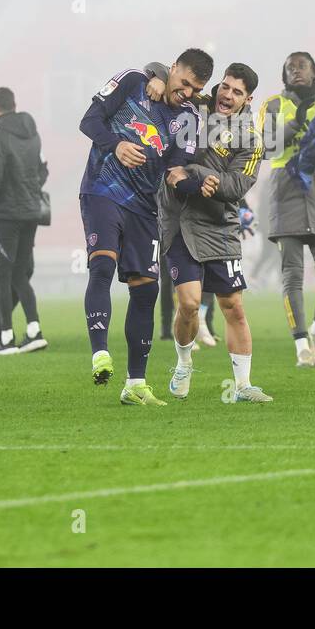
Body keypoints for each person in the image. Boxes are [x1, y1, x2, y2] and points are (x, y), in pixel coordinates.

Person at [79, 51, 210, 402]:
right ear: (173, 69)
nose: (186, 93)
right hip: (102, 189)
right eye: (183, 84)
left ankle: (135, 384)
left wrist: (195, 184)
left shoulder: (188, 118)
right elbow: (89, 121)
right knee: (103, 264)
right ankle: (100, 353)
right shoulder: (134, 80)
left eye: (194, 90)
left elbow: (175, 170)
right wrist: (116, 145)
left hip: (143, 207)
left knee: (146, 291)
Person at [162, 63, 271, 402]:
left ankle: (242, 386)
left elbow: (239, 184)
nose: (228, 94)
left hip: (219, 225)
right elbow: (169, 79)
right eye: (225, 87)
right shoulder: (195, 107)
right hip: (180, 219)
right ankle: (183, 363)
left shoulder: (252, 139)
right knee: (190, 303)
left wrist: (204, 178)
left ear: (247, 98)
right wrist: (153, 75)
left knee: (233, 305)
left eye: (237, 92)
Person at [257, 52, 315, 367]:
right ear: (284, 75)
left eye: (301, 65)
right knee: (292, 276)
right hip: (287, 194)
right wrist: (297, 121)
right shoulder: (273, 105)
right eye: (290, 67)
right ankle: (301, 346)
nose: (296, 71)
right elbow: (266, 147)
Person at [0, 86, 48, 354]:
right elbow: (43, 169)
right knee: (20, 273)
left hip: (5, 214)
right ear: (14, 104)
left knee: (2, 273)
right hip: (31, 211)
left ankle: (5, 337)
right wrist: (29, 192)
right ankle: (34, 330)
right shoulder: (33, 132)